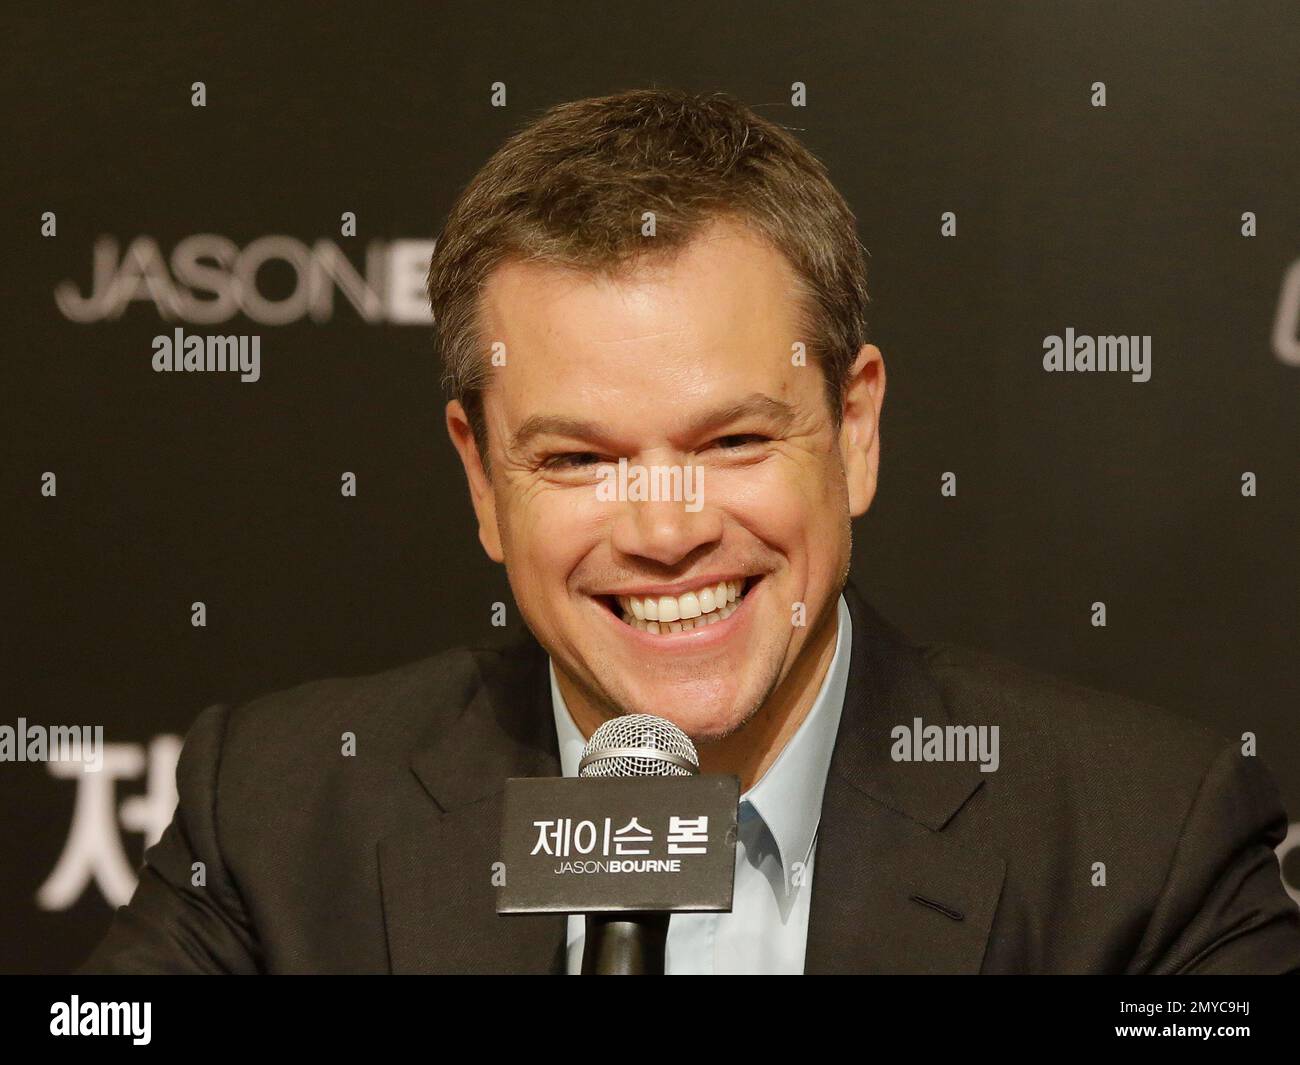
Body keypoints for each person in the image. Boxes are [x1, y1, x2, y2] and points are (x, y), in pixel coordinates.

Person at [82, 88, 1300, 974]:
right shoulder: (281, 812)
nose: (664, 534)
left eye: (732, 443)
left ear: (855, 427)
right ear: (480, 478)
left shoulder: (1145, 848)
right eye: (577, 459)